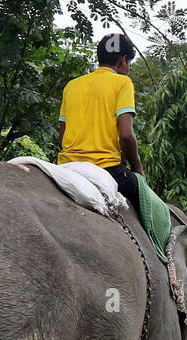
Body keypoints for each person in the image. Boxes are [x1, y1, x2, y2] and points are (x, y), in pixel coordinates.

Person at [57, 33, 143, 209]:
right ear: (123, 60)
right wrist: (138, 169)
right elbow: (126, 136)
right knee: (150, 204)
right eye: (129, 64)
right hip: (107, 168)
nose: (128, 68)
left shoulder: (72, 85)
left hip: (67, 167)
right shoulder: (123, 82)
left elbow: (62, 136)